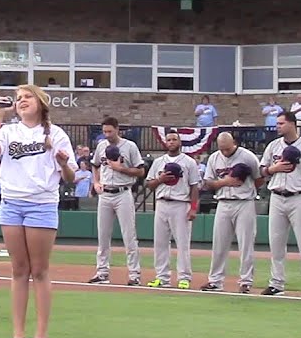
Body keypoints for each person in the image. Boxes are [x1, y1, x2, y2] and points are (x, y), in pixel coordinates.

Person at [0, 85, 74, 338]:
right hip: (12, 202)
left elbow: (70, 178)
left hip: (41, 203)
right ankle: (18, 335)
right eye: (18, 99)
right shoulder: (9, 131)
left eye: (27, 97)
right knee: (18, 270)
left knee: (40, 270)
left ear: (40, 102)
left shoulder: (55, 134)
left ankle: (41, 336)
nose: (21, 101)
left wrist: (62, 163)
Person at [260, 113, 301, 297]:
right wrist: (273, 169)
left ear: (292, 124)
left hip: (299, 197)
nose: (278, 126)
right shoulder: (273, 146)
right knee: (276, 243)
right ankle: (276, 283)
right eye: (277, 123)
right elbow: (262, 170)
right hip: (277, 196)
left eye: (281, 123)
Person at [200, 132, 263, 293]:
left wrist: (247, 190)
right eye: (222, 149)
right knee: (219, 244)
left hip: (244, 202)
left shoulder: (248, 157)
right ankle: (215, 281)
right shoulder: (214, 158)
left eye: (227, 149)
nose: (225, 152)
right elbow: (207, 183)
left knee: (246, 244)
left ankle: (246, 282)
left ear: (233, 143)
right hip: (223, 202)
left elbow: (259, 178)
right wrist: (225, 182)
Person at [88, 117, 144, 285]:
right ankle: (102, 272)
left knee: (129, 235)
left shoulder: (129, 146)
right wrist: (96, 182)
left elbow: (141, 171)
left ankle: (134, 274)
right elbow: (95, 164)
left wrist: (122, 169)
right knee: (103, 235)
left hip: (123, 192)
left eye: (110, 131)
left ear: (117, 129)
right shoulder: (101, 146)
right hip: (105, 193)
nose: (107, 135)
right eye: (104, 131)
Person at [145, 130, 200, 289]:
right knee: (160, 243)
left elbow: (194, 186)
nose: (171, 142)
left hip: (181, 203)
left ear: (180, 142)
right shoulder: (158, 161)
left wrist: (193, 208)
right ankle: (162, 277)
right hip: (161, 202)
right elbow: (149, 184)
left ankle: (184, 277)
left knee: (182, 243)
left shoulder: (189, 162)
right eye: (168, 139)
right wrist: (160, 179)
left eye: (174, 139)